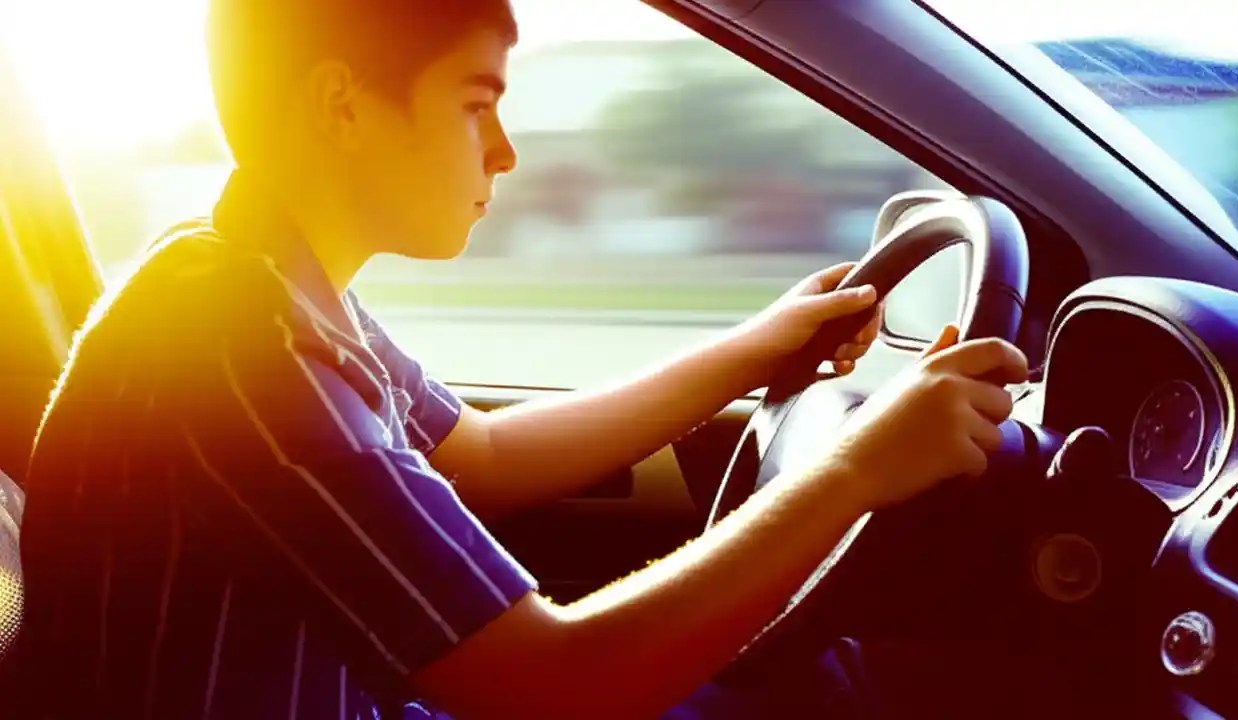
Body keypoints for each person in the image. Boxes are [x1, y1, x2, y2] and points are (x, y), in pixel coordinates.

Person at [15, 0, 1028, 717]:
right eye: (473, 102)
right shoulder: (245, 353)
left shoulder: (257, 285)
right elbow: (550, 686)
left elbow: (482, 453)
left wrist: (745, 351)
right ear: (340, 108)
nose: (503, 150)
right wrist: (853, 471)